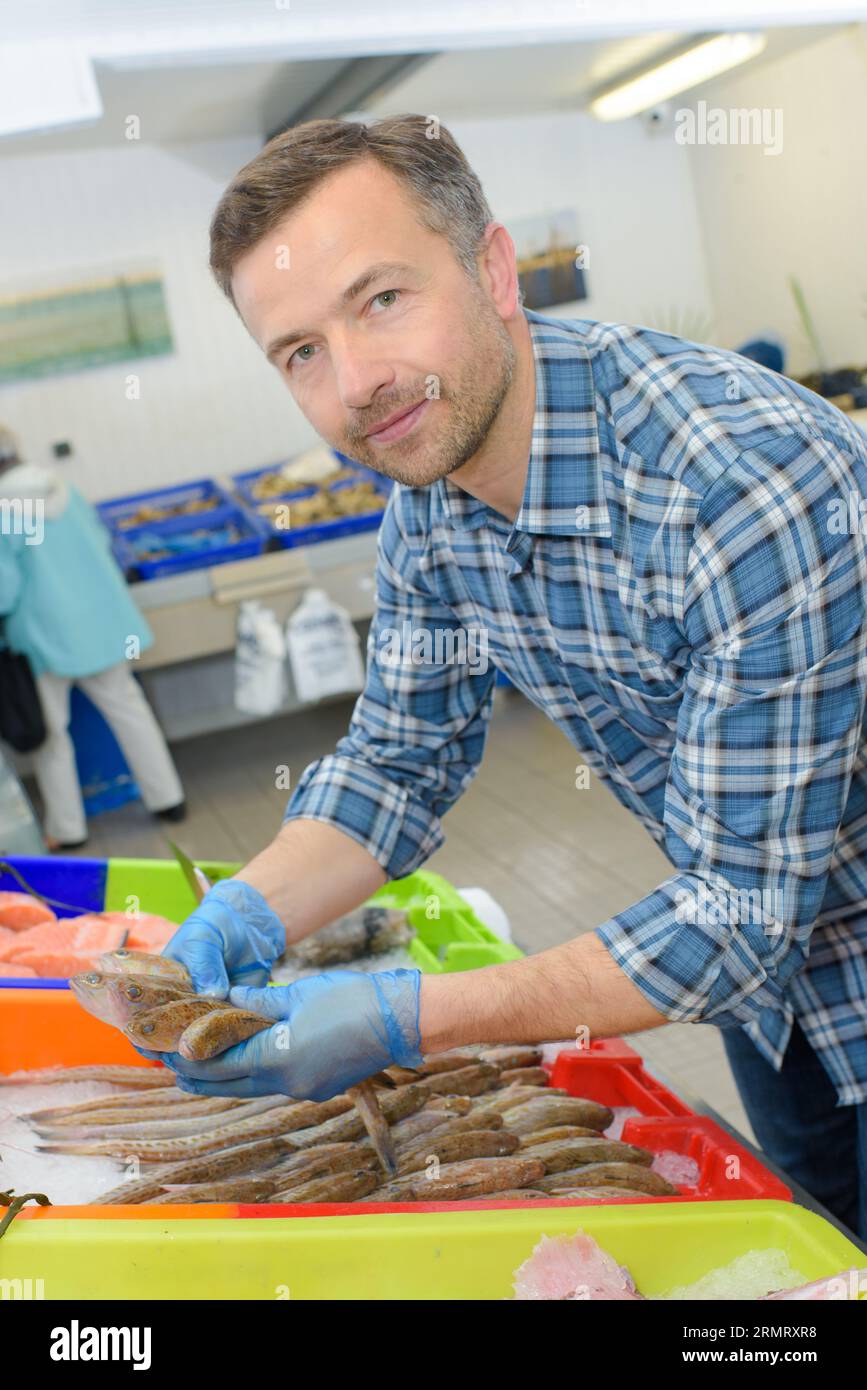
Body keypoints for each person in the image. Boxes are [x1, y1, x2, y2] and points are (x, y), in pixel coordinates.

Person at [155, 116, 867, 1237]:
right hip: (772, 999)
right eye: (300, 351)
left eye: (381, 299)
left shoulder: (739, 485)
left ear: (492, 268)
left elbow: (737, 912)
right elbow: (398, 763)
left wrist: (405, 1016)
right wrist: (243, 910)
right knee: (825, 1241)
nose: (358, 381)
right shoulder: (429, 513)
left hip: (789, 935)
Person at [0, 428, 186, 848]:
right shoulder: (63, 489)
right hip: (103, 626)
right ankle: (169, 801)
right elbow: (101, 541)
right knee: (131, 713)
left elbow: (4, 589)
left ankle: (67, 831)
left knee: (52, 736)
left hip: (44, 638)